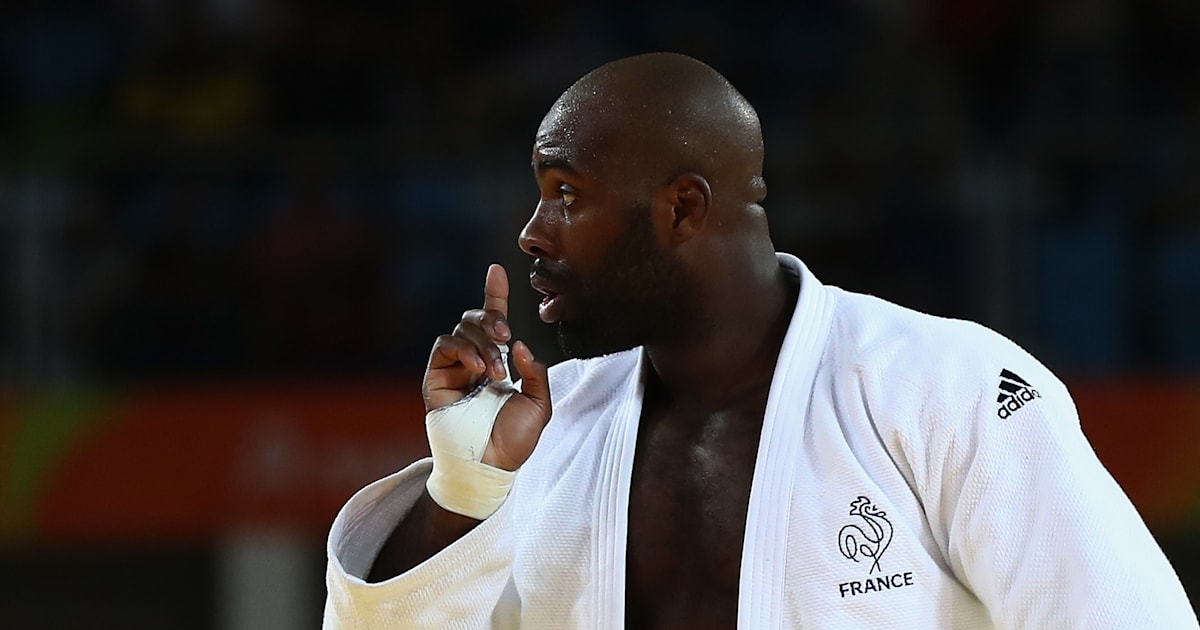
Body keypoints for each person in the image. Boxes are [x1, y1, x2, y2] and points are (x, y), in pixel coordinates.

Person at [323, 52, 1197, 628]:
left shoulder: (947, 387)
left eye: (567, 192)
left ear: (683, 208)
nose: (532, 231)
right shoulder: (550, 433)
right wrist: (465, 487)